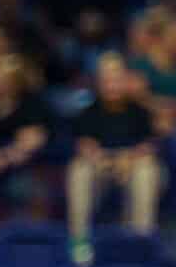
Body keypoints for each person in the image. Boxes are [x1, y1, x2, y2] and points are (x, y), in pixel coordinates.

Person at [69, 53, 165, 243]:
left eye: (116, 79)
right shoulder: (88, 113)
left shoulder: (141, 112)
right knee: (79, 170)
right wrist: (104, 161)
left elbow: (150, 145)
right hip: (101, 167)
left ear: (126, 80)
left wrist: (128, 159)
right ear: (98, 83)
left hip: (133, 165)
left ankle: (141, 240)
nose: (111, 85)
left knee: (146, 170)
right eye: (106, 80)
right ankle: (79, 240)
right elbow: (85, 146)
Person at [0, 54, 53, 236]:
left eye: (1, 77)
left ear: (14, 81)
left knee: (19, 187)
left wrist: (4, 158)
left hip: (22, 166)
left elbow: (32, 142)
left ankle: (22, 236)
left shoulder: (30, 105)